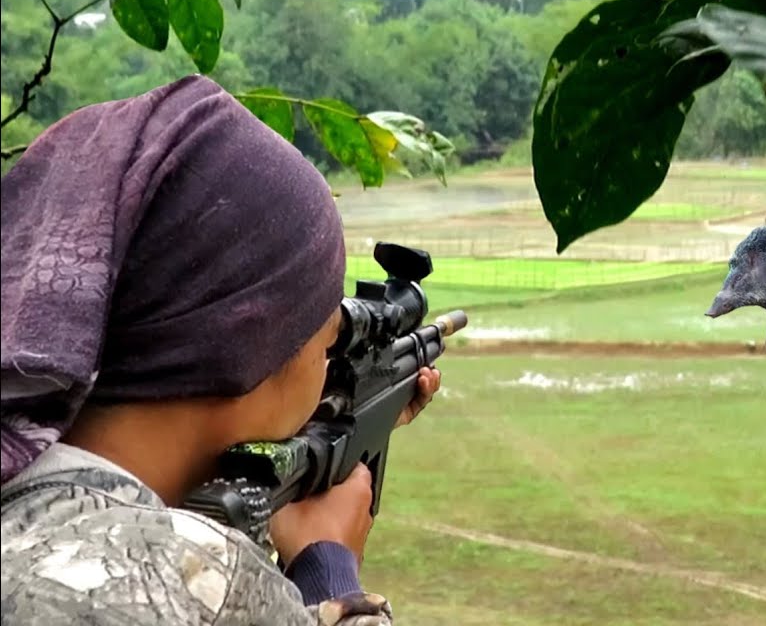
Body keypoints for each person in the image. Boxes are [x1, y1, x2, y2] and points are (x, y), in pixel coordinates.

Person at [0, 75, 442, 625]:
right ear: (254, 347)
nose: (330, 358)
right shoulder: (192, 576)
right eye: (328, 333)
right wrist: (330, 565)